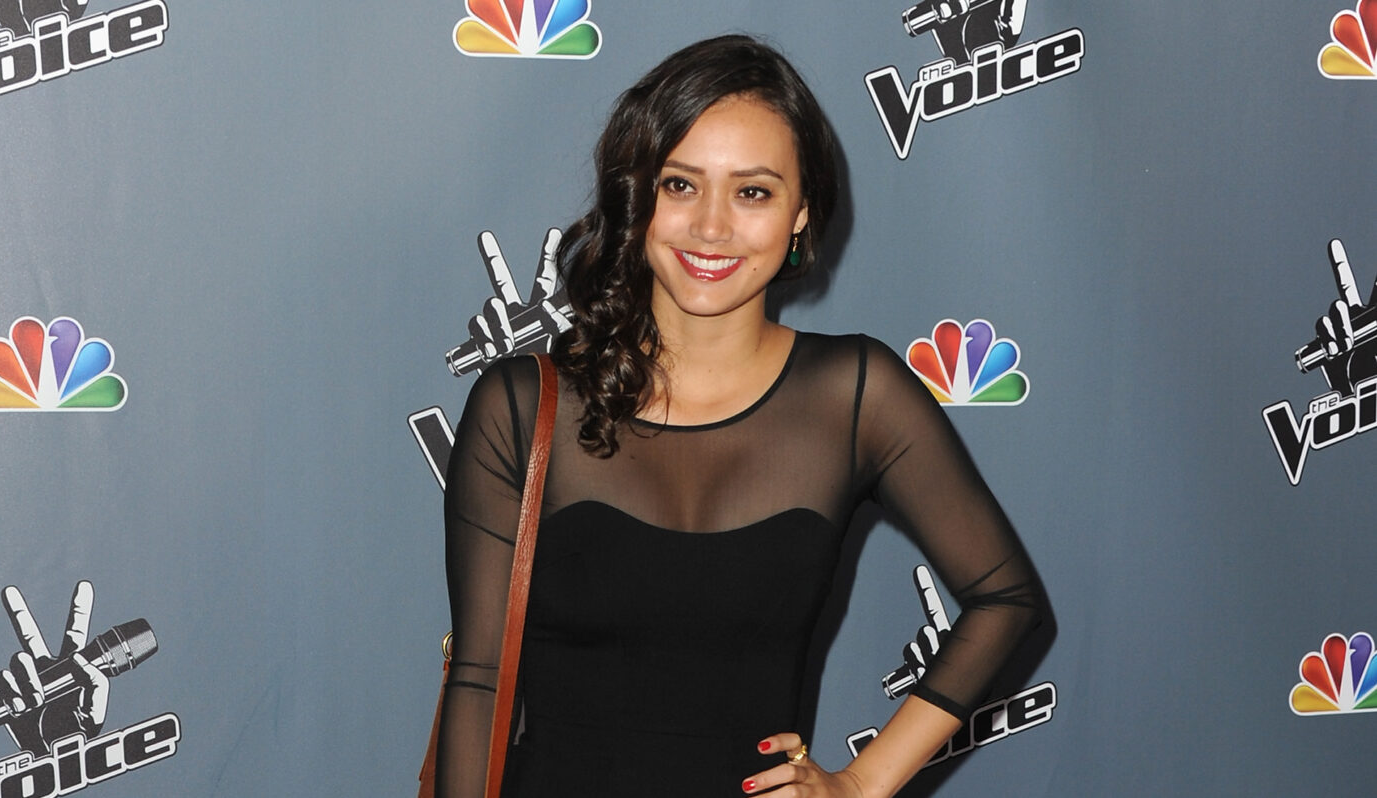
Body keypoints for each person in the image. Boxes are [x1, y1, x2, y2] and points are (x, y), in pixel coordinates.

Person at [437, 34, 1043, 797]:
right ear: (638, 196)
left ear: (801, 213)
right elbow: (481, 680)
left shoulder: (856, 395)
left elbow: (1005, 598)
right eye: (680, 185)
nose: (711, 226)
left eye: (752, 192)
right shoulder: (522, 406)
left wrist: (861, 785)